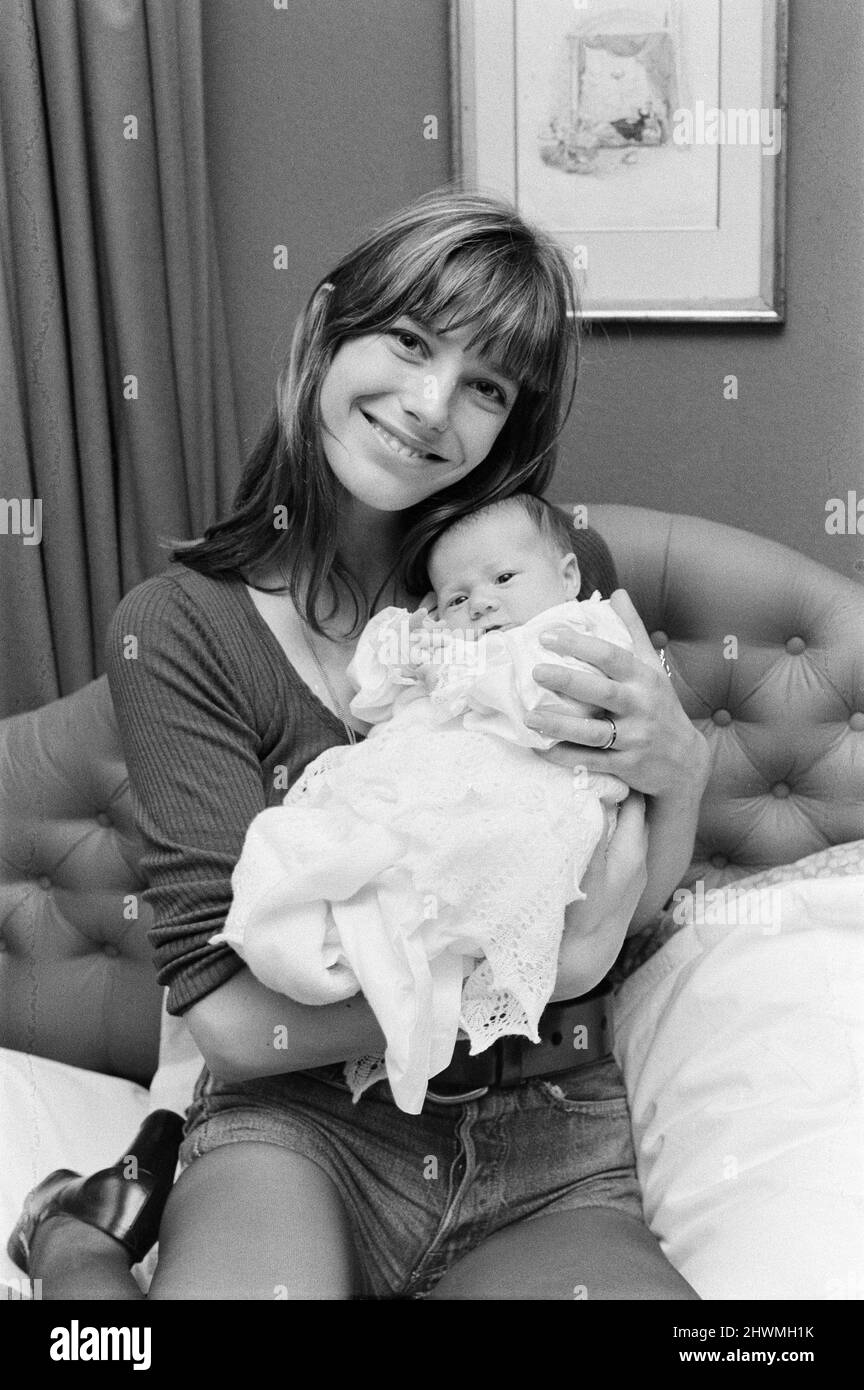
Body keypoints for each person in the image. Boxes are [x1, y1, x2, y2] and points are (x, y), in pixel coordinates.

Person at [8, 188, 710, 1300]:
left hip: (546, 1133)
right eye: (410, 341)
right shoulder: (180, 630)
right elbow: (234, 1026)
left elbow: (626, 893)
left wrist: (685, 771)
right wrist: (519, 976)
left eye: (486, 385)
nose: (433, 406)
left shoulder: (550, 584)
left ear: (509, 427)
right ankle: (78, 1239)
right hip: (302, 1126)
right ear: (326, 331)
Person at [214, 493, 637, 1115]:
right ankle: (330, 938)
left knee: (473, 863)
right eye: (458, 598)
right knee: (323, 837)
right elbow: (377, 698)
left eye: (502, 578)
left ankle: (415, 949)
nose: (483, 602)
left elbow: (551, 713)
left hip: (530, 795)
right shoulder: (454, 648)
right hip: (430, 785)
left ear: (567, 577)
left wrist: (453, 666)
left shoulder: (578, 634)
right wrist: (411, 648)